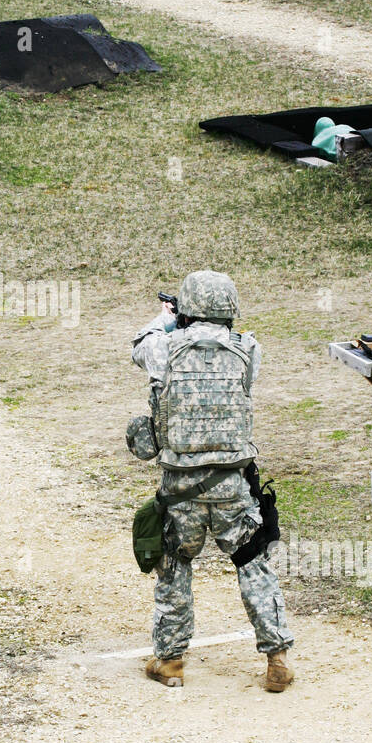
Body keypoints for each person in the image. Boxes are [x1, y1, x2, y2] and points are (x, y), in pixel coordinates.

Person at [128, 270, 294, 692]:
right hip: (232, 485)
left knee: (175, 566)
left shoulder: (163, 347)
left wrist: (165, 319)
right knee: (253, 563)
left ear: (185, 307)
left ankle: (170, 661)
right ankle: (276, 658)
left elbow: (140, 345)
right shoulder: (247, 350)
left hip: (180, 488)